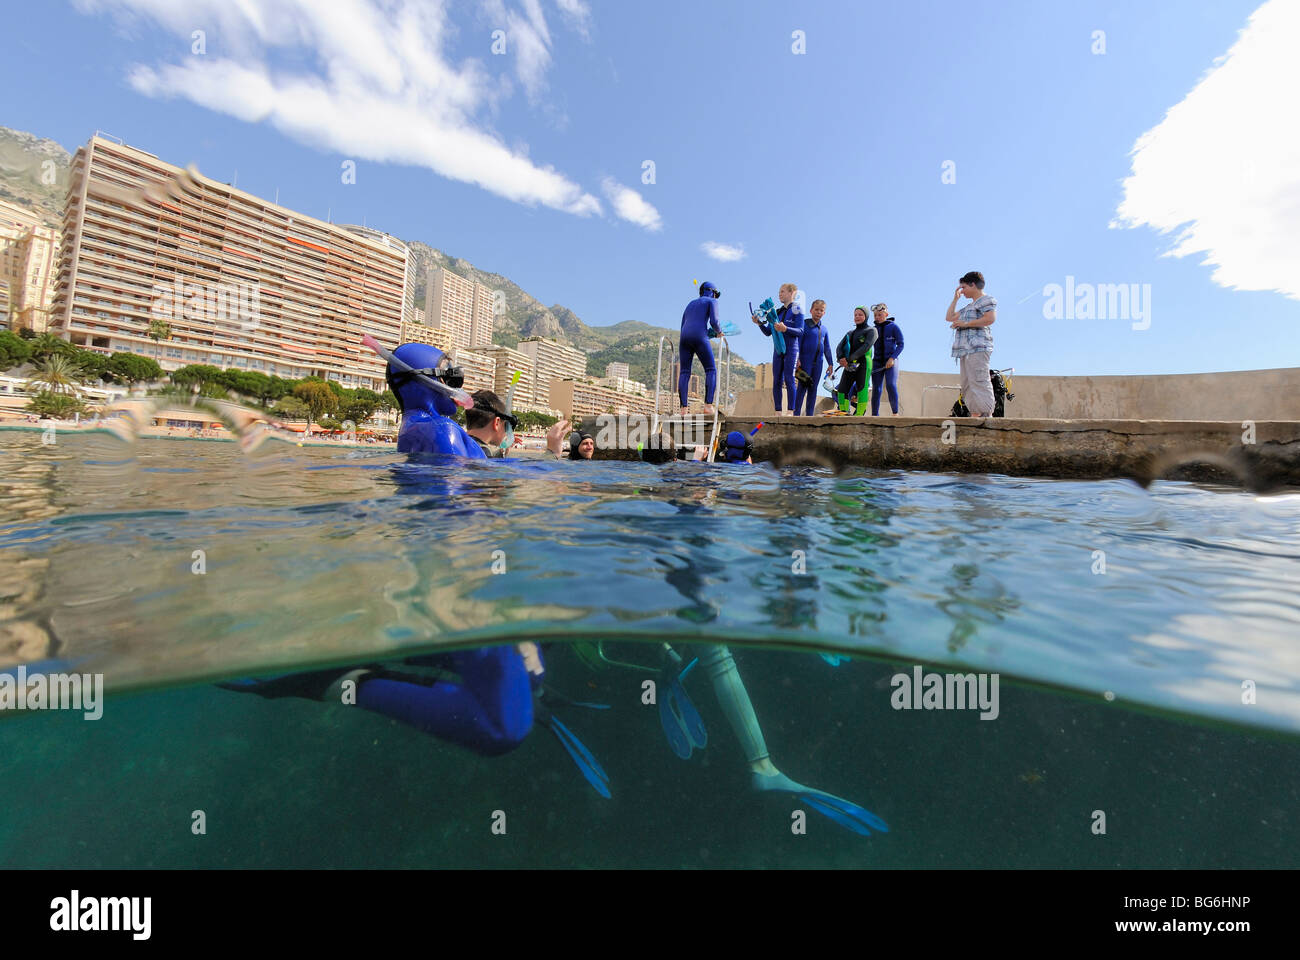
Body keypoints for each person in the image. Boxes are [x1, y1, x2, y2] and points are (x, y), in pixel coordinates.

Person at [946, 271, 997, 418]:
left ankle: (986, 414)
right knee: (967, 383)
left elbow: (990, 318)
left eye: (963, 287)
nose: (962, 291)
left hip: (978, 347)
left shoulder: (986, 300)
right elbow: (949, 317)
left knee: (979, 379)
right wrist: (955, 299)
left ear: (972, 284)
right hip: (965, 350)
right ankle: (975, 414)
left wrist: (966, 324)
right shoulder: (968, 306)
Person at [752, 283, 804, 415]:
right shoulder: (778, 312)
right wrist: (759, 323)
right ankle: (778, 411)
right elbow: (768, 332)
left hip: (791, 348)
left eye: (782, 292)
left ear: (792, 293)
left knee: (789, 377)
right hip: (778, 349)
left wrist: (785, 329)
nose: (779, 294)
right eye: (779, 292)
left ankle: (791, 410)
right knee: (776, 380)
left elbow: (800, 331)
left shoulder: (797, 309)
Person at [679, 281, 725, 417]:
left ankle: (683, 409)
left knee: (684, 372)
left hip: (684, 337)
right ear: (712, 292)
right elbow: (714, 321)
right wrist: (719, 332)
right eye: (716, 295)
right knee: (711, 370)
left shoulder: (690, 304)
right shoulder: (712, 301)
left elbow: (683, 324)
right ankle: (708, 406)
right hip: (699, 335)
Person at [833, 307, 877, 415]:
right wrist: (840, 359)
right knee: (842, 390)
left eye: (860, 315)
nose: (857, 317)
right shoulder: (850, 333)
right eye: (855, 315)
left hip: (864, 364)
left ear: (866, 316)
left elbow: (865, 347)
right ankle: (844, 411)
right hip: (850, 364)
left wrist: (848, 359)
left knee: (862, 389)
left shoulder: (871, 331)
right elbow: (839, 347)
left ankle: (860, 413)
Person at [794, 299, 834, 416]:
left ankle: (809, 415)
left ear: (824, 313)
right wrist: (797, 358)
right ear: (811, 310)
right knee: (802, 387)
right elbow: (798, 343)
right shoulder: (804, 325)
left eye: (821, 311)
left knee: (813, 388)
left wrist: (830, 363)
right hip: (805, 361)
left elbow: (827, 347)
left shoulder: (824, 329)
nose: (818, 312)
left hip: (818, 363)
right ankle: (796, 414)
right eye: (816, 310)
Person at [869, 303, 905, 415]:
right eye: (875, 316)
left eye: (880, 315)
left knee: (890, 384)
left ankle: (895, 413)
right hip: (877, 362)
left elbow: (901, 344)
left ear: (886, 314)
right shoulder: (873, 330)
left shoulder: (893, 327)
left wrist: (892, 358)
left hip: (891, 360)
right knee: (876, 389)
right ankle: (875, 416)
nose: (877, 317)